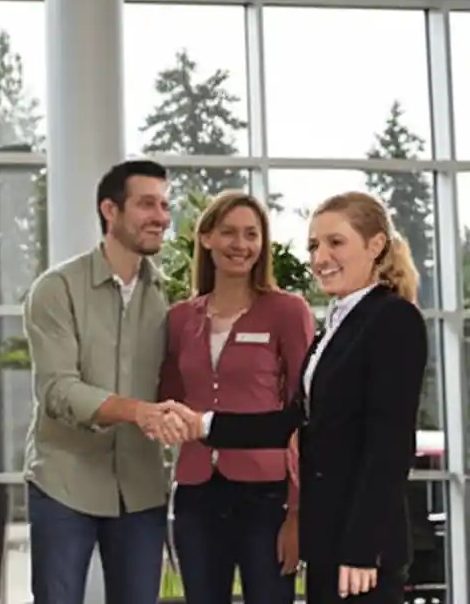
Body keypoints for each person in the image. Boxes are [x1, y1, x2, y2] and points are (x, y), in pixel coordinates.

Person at [163, 191, 427, 604]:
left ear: (375, 245)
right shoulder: (339, 323)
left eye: (335, 242)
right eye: (314, 245)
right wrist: (205, 424)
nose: (320, 256)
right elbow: (295, 421)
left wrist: (362, 550)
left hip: (359, 552)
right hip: (328, 543)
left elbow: (390, 447)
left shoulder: (392, 318)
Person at [23, 159, 186, 604]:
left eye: (165, 206)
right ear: (110, 211)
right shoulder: (56, 289)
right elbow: (58, 390)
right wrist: (137, 411)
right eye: (147, 204)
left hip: (141, 486)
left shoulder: (168, 298)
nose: (161, 217)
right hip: (64, 482)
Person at [157, 191, 315, 604]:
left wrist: (297, 513)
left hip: (266, 496)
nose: (240, 245)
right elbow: (168, 399)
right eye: (228, 232)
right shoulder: (179, 319)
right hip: (195, 493)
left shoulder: (287, 311)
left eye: (251, 234)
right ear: (206, 238)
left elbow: (305, 414)